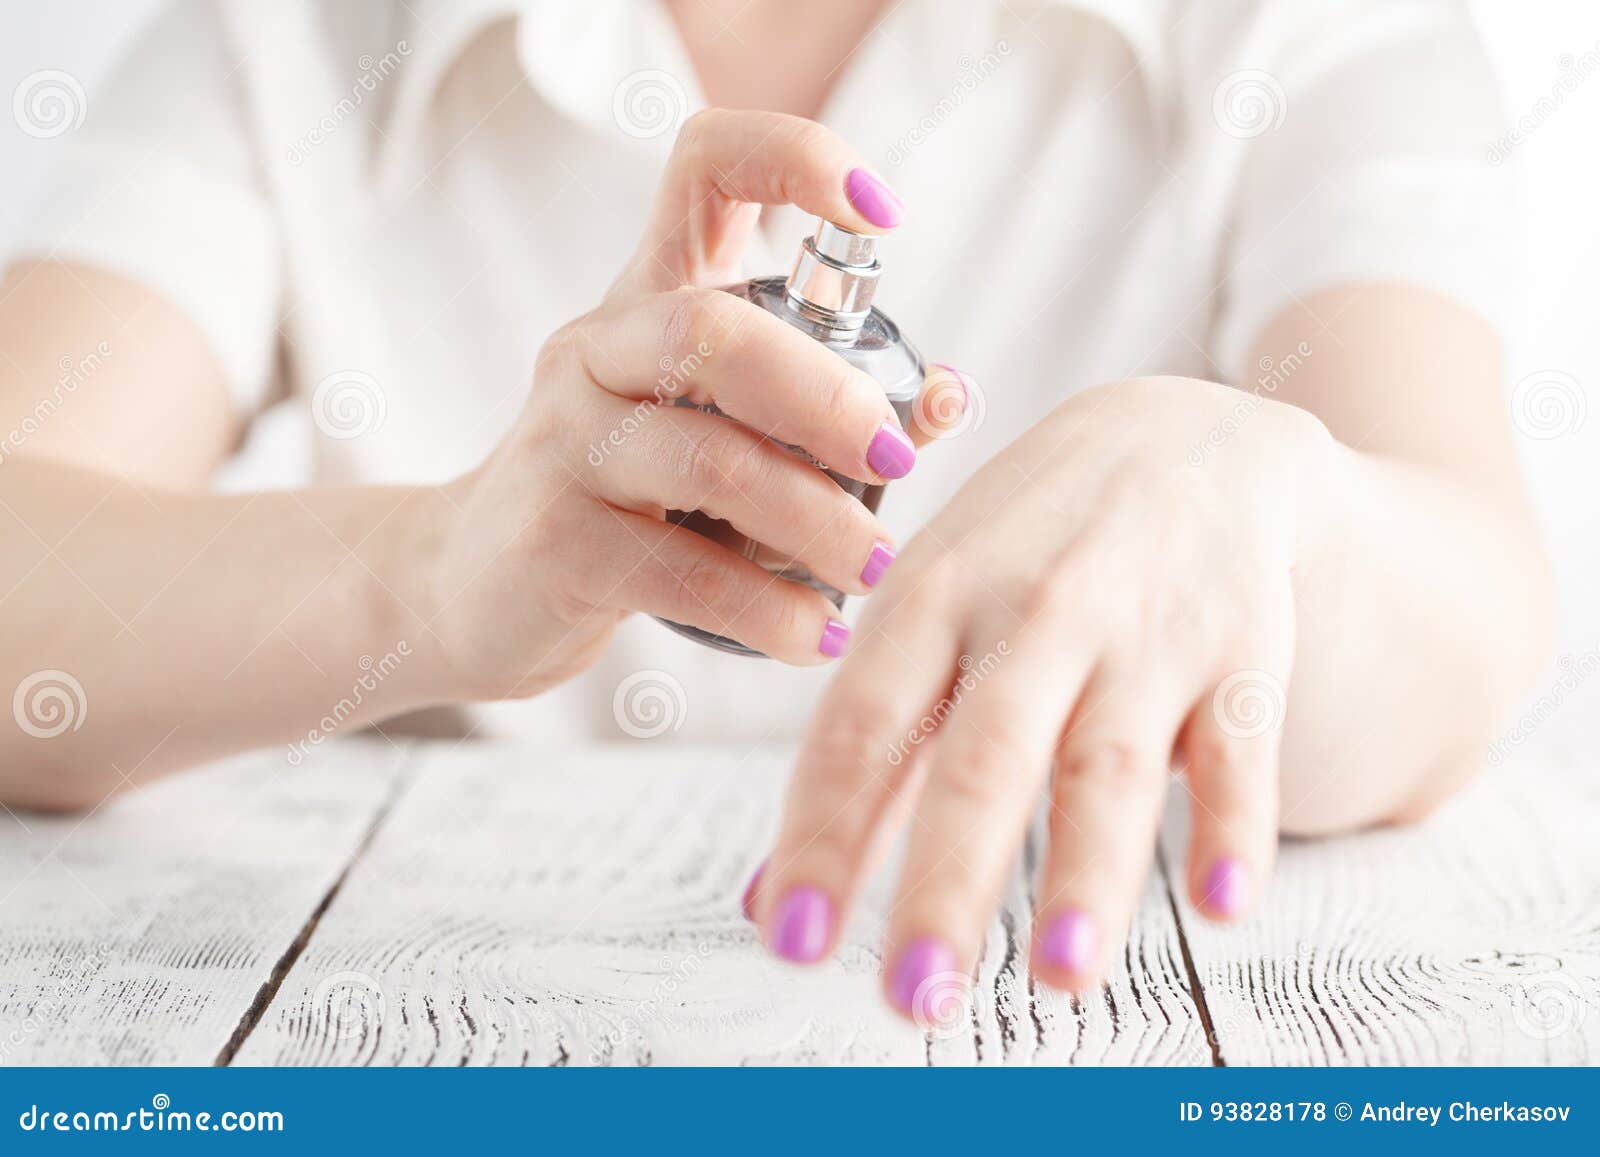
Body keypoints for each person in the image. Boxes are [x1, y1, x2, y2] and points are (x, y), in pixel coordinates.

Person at [0, 0, 1550, 1017]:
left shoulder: (1307, 30)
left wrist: (1248, 494)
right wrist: (429, 572)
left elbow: (1471, 601)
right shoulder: (293, 38)